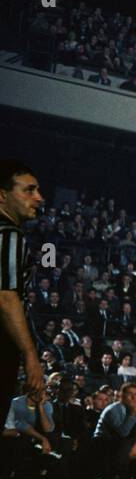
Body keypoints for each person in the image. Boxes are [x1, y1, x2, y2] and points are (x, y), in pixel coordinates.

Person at [0, 160, 44, 410]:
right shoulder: (9, 235)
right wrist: (30, 355)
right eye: (29, 190)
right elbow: (6, 296)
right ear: (3, 194)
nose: (39, 197)